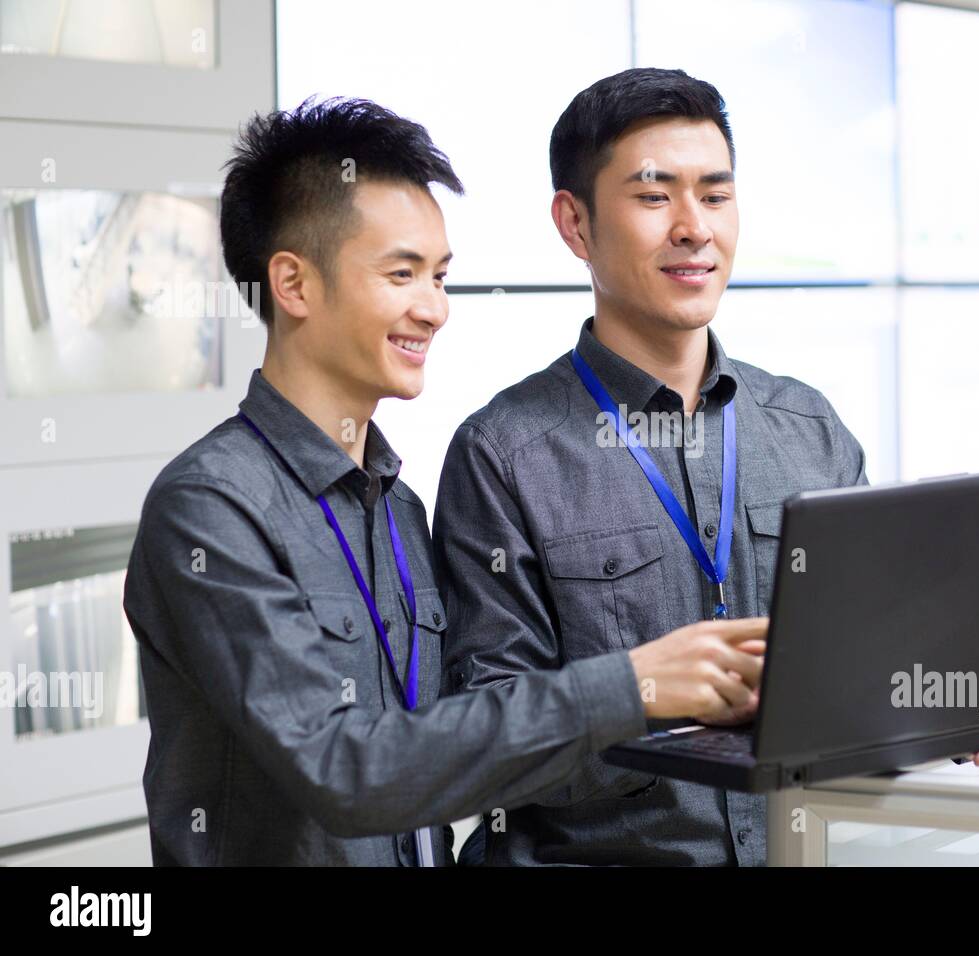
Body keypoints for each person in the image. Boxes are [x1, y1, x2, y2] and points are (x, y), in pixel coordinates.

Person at [434, 68, 979, 866]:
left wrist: (978, 721)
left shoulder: (808, 429)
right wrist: (647, 698)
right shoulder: (504, 454)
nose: (694, 227)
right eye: (654, 195)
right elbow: (485, 741)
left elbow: (871, 678)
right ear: (575, 223)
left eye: (715, 193)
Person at [122, 96, 766, 866]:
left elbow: (451, 747)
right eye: (403, 275)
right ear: (292, 285)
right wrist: (630, 688)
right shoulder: (211, 507)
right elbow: (340, 769)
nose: (435, 309)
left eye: (440, 276)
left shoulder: (395, 503)